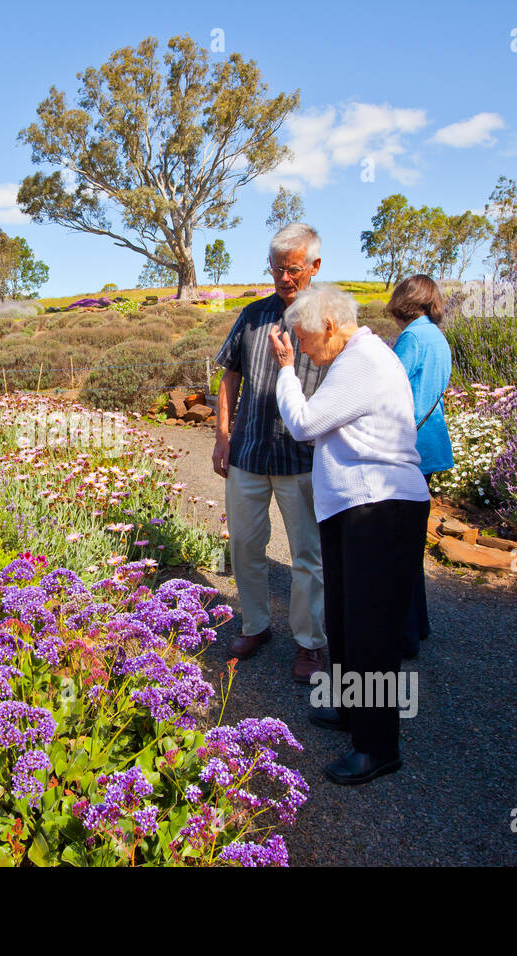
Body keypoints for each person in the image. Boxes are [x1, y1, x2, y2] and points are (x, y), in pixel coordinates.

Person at [267, 284, 430, 786]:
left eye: (305, 335)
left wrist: (286, 372)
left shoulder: (362, 362)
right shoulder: (354, 359)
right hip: (356, 507)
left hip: (378, 506)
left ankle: (378, 747)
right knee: (344, 619)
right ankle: (351, 711)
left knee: (371, 630)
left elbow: (305, 423)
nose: (303, 345)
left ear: (330, 326)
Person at [212, 224, 329, 682]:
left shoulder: (327, 316)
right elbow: (229, 376)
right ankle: (255, 625)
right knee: (244, 546)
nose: (283, 277)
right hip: (249, 454)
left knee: (308, 554)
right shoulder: (253, 314)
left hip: (303, 458)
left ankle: (310, 643)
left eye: (293, 269)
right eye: (277, 268)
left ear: (315, 267)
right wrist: (223, 436)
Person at [387, 275, 454, 660]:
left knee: (398, 544)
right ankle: (419, 624)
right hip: (427, 444)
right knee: (411, 541)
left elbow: (388, 384)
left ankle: (404, 633)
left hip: (406, 444)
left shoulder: (413, 338)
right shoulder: (436, 337)